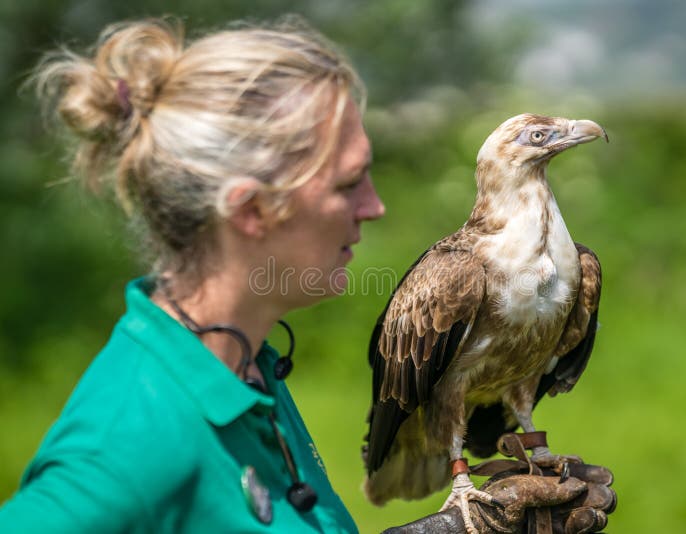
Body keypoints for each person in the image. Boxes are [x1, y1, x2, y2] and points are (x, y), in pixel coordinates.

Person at [0, 17, 614, 533]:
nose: (375, 206)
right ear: (251, 211)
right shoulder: (126, 440)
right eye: (348, 183)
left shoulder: (248, 373)